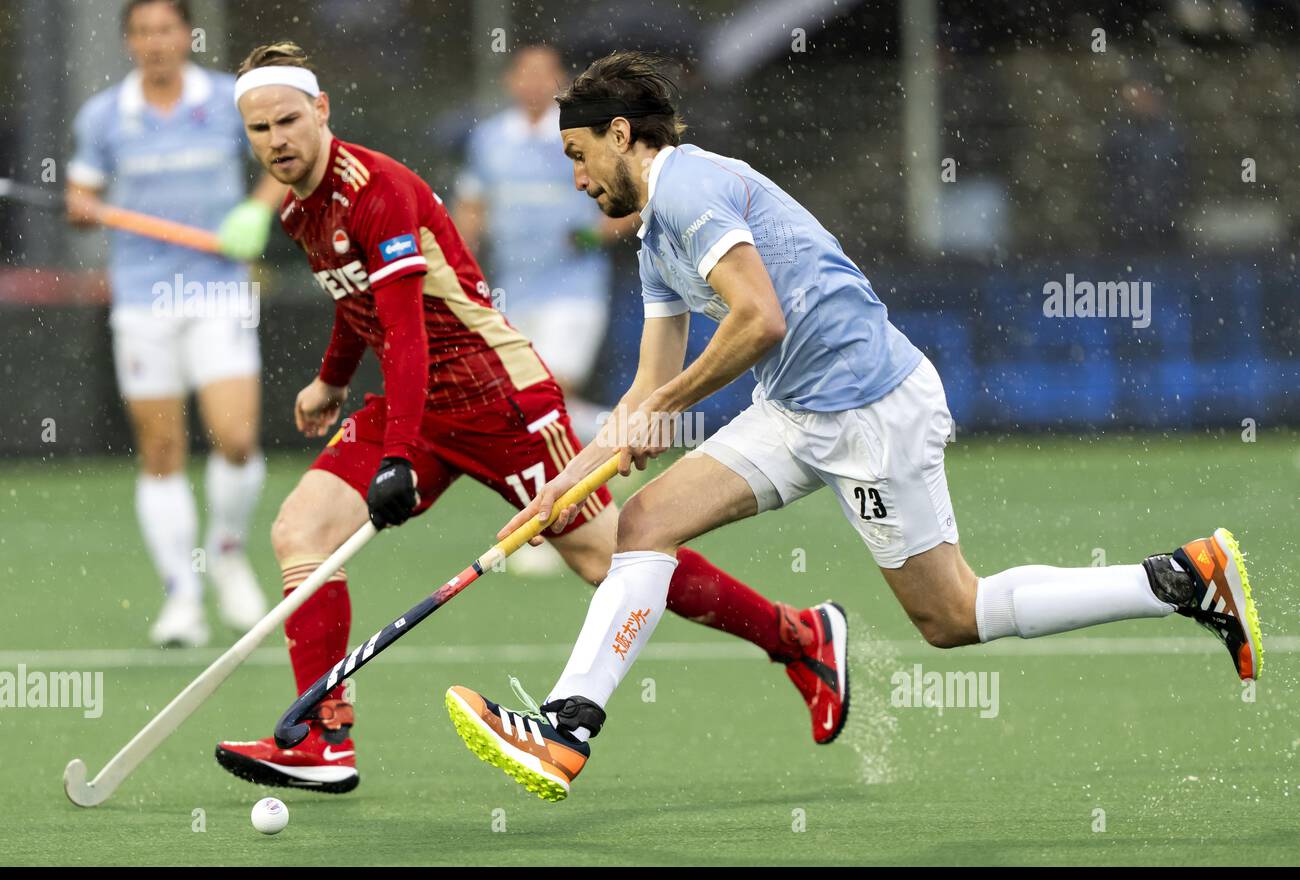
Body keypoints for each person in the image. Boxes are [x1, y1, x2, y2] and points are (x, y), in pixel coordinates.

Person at [445, 51, 1264, 802]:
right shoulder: (655, 233)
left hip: (872, 408)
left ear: (622, 135)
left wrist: (657, 414)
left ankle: (1181, 580)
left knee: (951, 616)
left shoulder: (689, 189)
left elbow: (757, 319)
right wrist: (565, 484)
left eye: (580, 155)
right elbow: (649, 387)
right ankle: (566, 728)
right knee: (644, 522)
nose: (578, 179)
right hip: (797, 409)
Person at [213, 42, 852, 795]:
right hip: (414, 405)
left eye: (288, 120)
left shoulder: (378, 190)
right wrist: (329, 383)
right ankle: (323, 737)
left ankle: (799, 636)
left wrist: (398, 452)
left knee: (608, 556)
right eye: (260, 130)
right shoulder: (299, 212)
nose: (276, 140)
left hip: (497, 397)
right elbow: (360, 312)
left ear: (321, 111)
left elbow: (411, 334)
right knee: (302, 531)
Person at [66, 0, 282, 647]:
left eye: (166, 29)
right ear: (129, 41)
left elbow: (282, 165)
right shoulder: (105, 116)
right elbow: (82, 193)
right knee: (161, 454)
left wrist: (256, 212)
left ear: (186, 35)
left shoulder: (226, 100)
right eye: (142, 32)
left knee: (237, 439)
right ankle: (182, 597)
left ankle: (227, 551)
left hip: (217, 291)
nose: (156, 42)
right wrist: (82, 206)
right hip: (142, 299)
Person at [454, 43, 639, 576]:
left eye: (546, 75)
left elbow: (631, 201)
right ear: (512, 81)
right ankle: (618, 440)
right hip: (514, 292)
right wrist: (462, 267)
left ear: (560, 82)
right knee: (530, 407)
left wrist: (597, 230)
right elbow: (471, 208)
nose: (534, 84)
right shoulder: (489, 140)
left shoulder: (583, 135)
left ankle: (581, 495)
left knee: (553, 390)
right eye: (525, 74)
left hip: (574, 290)